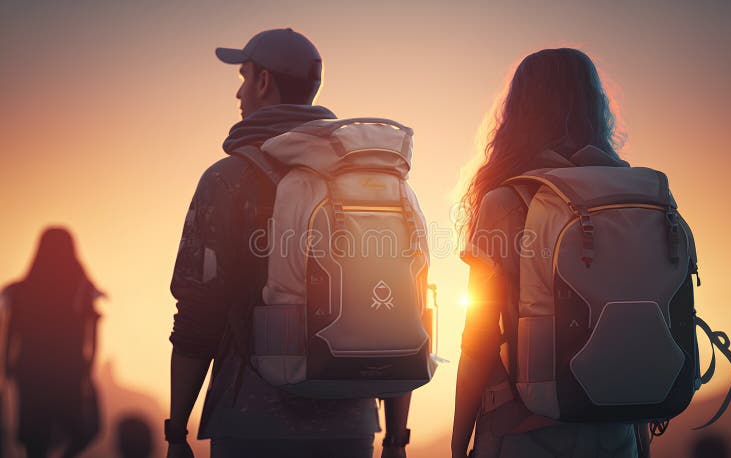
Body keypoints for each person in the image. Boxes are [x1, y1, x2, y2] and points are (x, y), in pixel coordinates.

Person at [167, 28, 412, 458]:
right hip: (349, 423)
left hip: (250, 423)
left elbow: (196, 316)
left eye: (244, 77)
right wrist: (395, 437)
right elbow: (394, 307)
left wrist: (175, 431)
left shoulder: (228, 180)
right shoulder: (363, 180)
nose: (239, 94)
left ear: (265, 81)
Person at [452, 49, 648, 458]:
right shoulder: (633, 200)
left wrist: (459, 442)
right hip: (614, 431)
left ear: (518, 114)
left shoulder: (507, 201)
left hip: (522, 432)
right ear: (595, 108)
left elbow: (479, 339)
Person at [1, 227, 102, 458]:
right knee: (78, 430)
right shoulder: (81, 289)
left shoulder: (22, 291)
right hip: (66, 371)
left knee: (36, 440)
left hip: (33, 371)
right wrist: (88, 366)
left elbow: (11, 331)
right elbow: (93, 330)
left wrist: (8, 366)